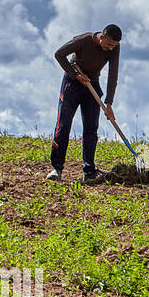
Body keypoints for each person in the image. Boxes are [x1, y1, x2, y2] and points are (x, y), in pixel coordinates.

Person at [47, 24, 122, 182]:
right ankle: (56, 169)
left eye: (113, 46)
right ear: (101, 37)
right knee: (63, 125)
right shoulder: (82, 40)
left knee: (91, 128)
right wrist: (75, 76)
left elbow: (113, 74)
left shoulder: (114, 48)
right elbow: (59, 54)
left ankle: (89, 171)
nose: (110, 49)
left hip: (92, 84)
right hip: (72, 83)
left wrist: (109, 103)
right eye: (109, 45)